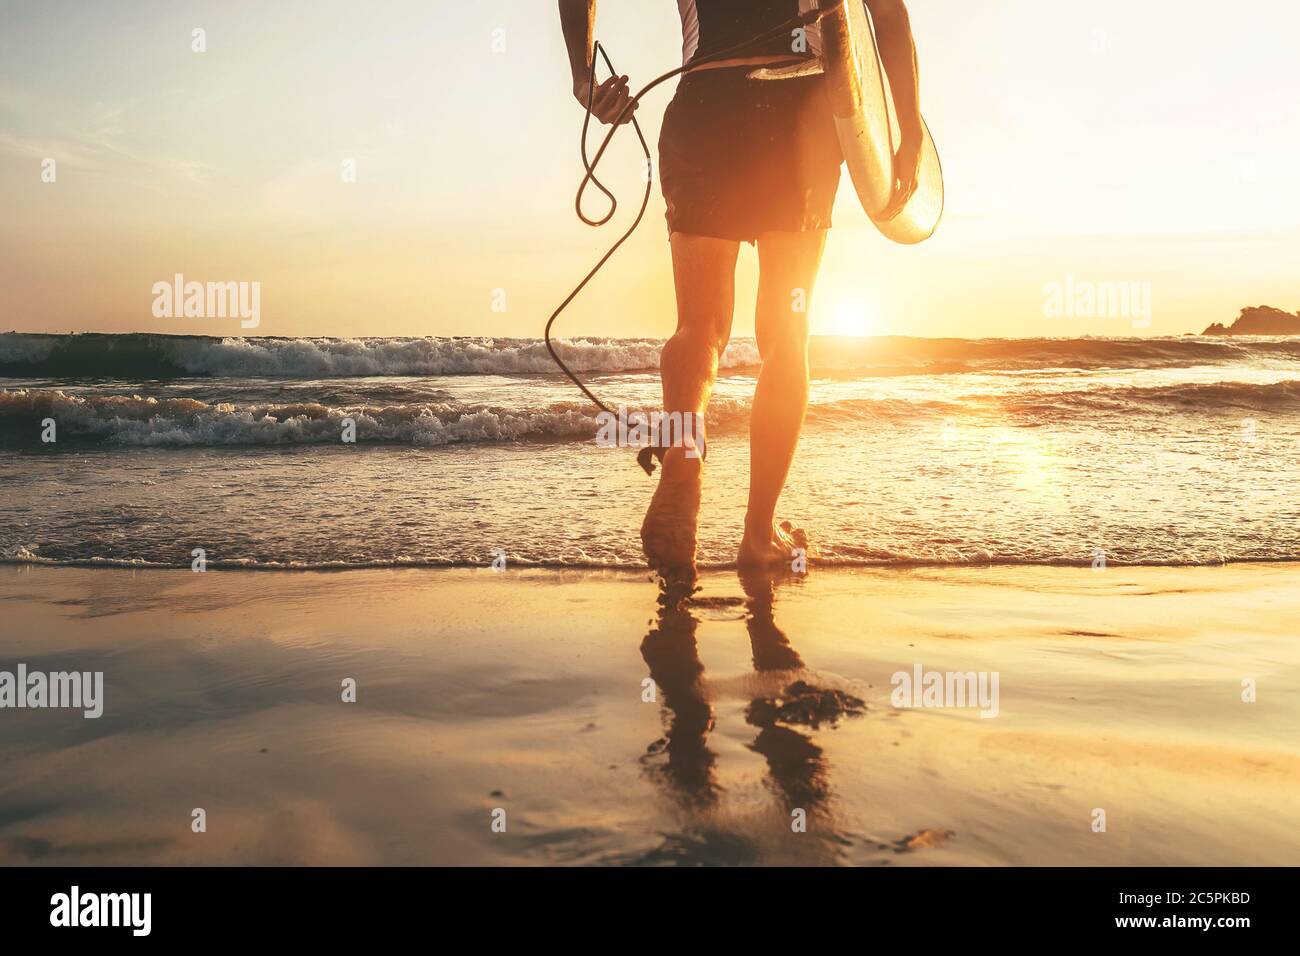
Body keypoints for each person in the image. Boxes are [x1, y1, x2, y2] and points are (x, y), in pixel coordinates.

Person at [558, 0, 923, 581]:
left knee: (699, 327)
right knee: (785, 335)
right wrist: (905, 131)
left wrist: (584, 81)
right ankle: (759, 536)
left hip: (704, 110)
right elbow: (890, 16)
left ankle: (684, 458)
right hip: (796, 115)